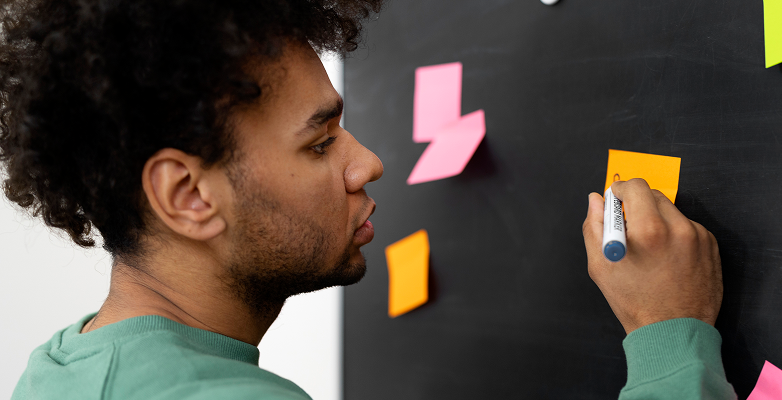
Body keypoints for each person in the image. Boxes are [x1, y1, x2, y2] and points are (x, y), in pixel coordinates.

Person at [0, 0, 735, 399]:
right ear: (188, 195)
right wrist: (672, 341)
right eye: (320, 144)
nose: (370, 164)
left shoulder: (60, 369)